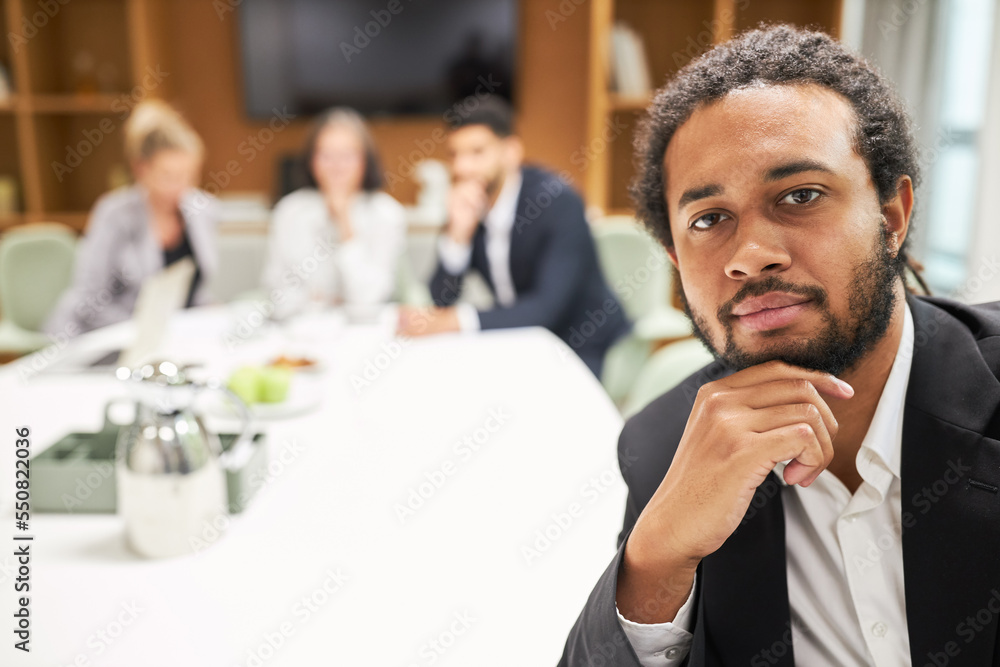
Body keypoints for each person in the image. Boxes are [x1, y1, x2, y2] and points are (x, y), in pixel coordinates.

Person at [559, 25, 1000, 666]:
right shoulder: (664, 449)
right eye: (709, 219)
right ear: (675, 258)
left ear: (893, 214)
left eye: (800, 196)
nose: (751, 256)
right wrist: (652, 559)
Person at [397, 97, 629, 378]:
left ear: (511, 151)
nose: (462, 168)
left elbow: (546, 308)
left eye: (477, 152)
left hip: (583, 344)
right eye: (454, 155)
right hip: (521, 341)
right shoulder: (470, 205)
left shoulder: (557, 202)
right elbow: (442, 299)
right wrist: (457, 235)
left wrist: (457, 321)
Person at [45, 100, 217, 336]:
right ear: (140, 169)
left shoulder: (201, 210)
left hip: (169, 338)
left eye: (189, 176)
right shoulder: (115, 215)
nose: (180, 187)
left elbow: (193, 290)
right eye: (169, 176)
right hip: (104, 338)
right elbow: (89, 302)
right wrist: (146, 329)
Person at [261, 107, 406, 317]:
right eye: (326, 155)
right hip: (303, 330)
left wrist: (345, 224)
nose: (337, 166)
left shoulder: (386, 213)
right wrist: (321, 302)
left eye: (347, 156)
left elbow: (368, 303)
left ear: (365, 161)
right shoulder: (289, 211)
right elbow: (277, 294)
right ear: (311, 161)